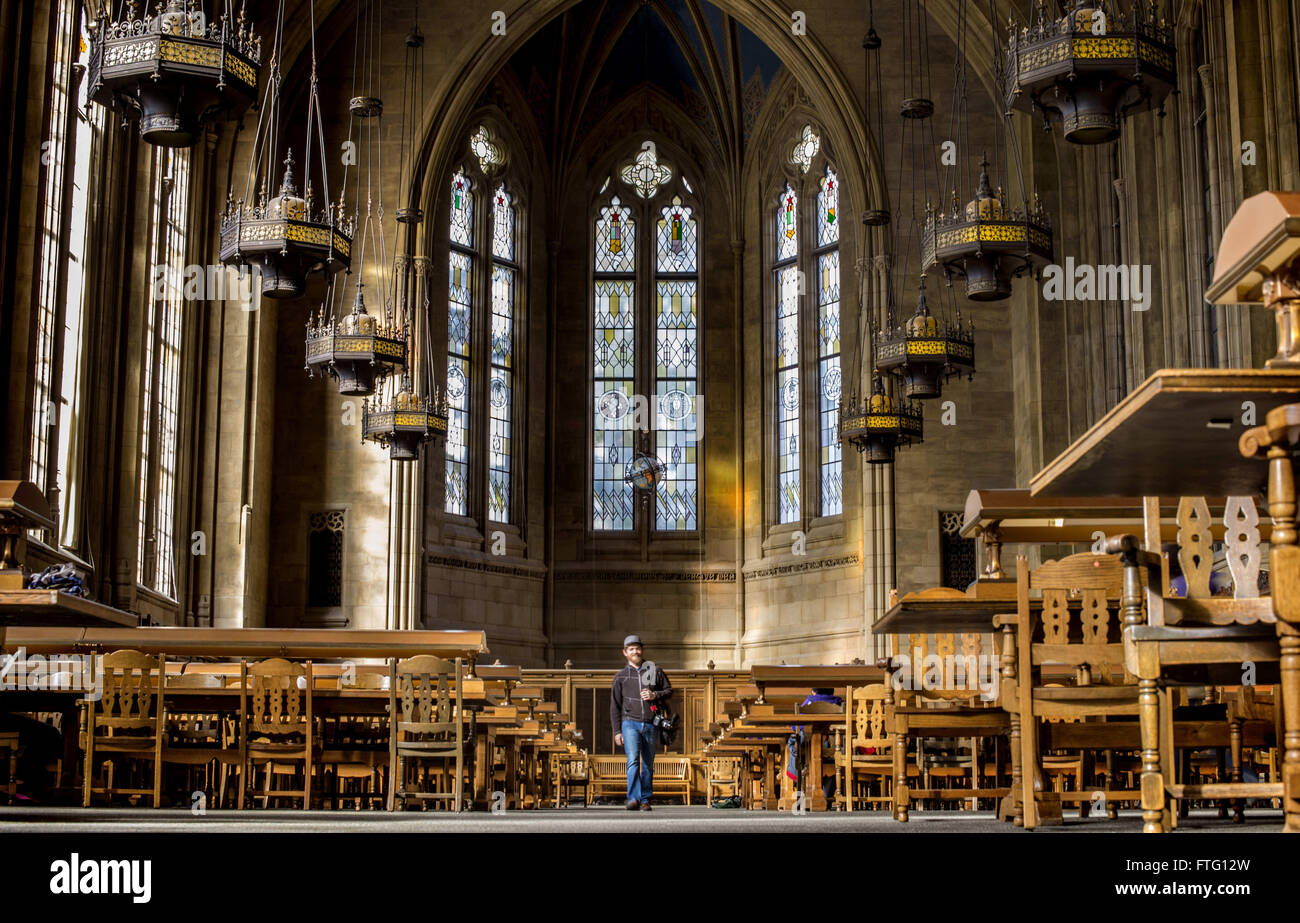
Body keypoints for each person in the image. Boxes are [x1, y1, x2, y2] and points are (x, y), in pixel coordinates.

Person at [611, 635, 672, 811]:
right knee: (632, 762)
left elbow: (669, 691)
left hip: (651, 723)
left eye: (637, 648)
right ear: (625, 653)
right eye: (631, 649)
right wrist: (617, 731)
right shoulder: (620, 677)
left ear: (641, 650)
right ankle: (633, 799)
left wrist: (655, 695)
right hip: (629, 723)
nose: (635, 651)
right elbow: (614, 707)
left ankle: (645, 799)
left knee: (647, 763)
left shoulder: (654, 670)